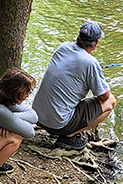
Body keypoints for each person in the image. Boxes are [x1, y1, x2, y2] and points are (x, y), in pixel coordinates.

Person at [33, 20, 116, 151]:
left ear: (78, 37)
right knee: (111, 101)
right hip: (57, 126)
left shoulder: (63, 47)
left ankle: (68, 129)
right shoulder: (91, 63)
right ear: (96, 43)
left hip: (37, 116)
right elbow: (104, 97)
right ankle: (70, 136)